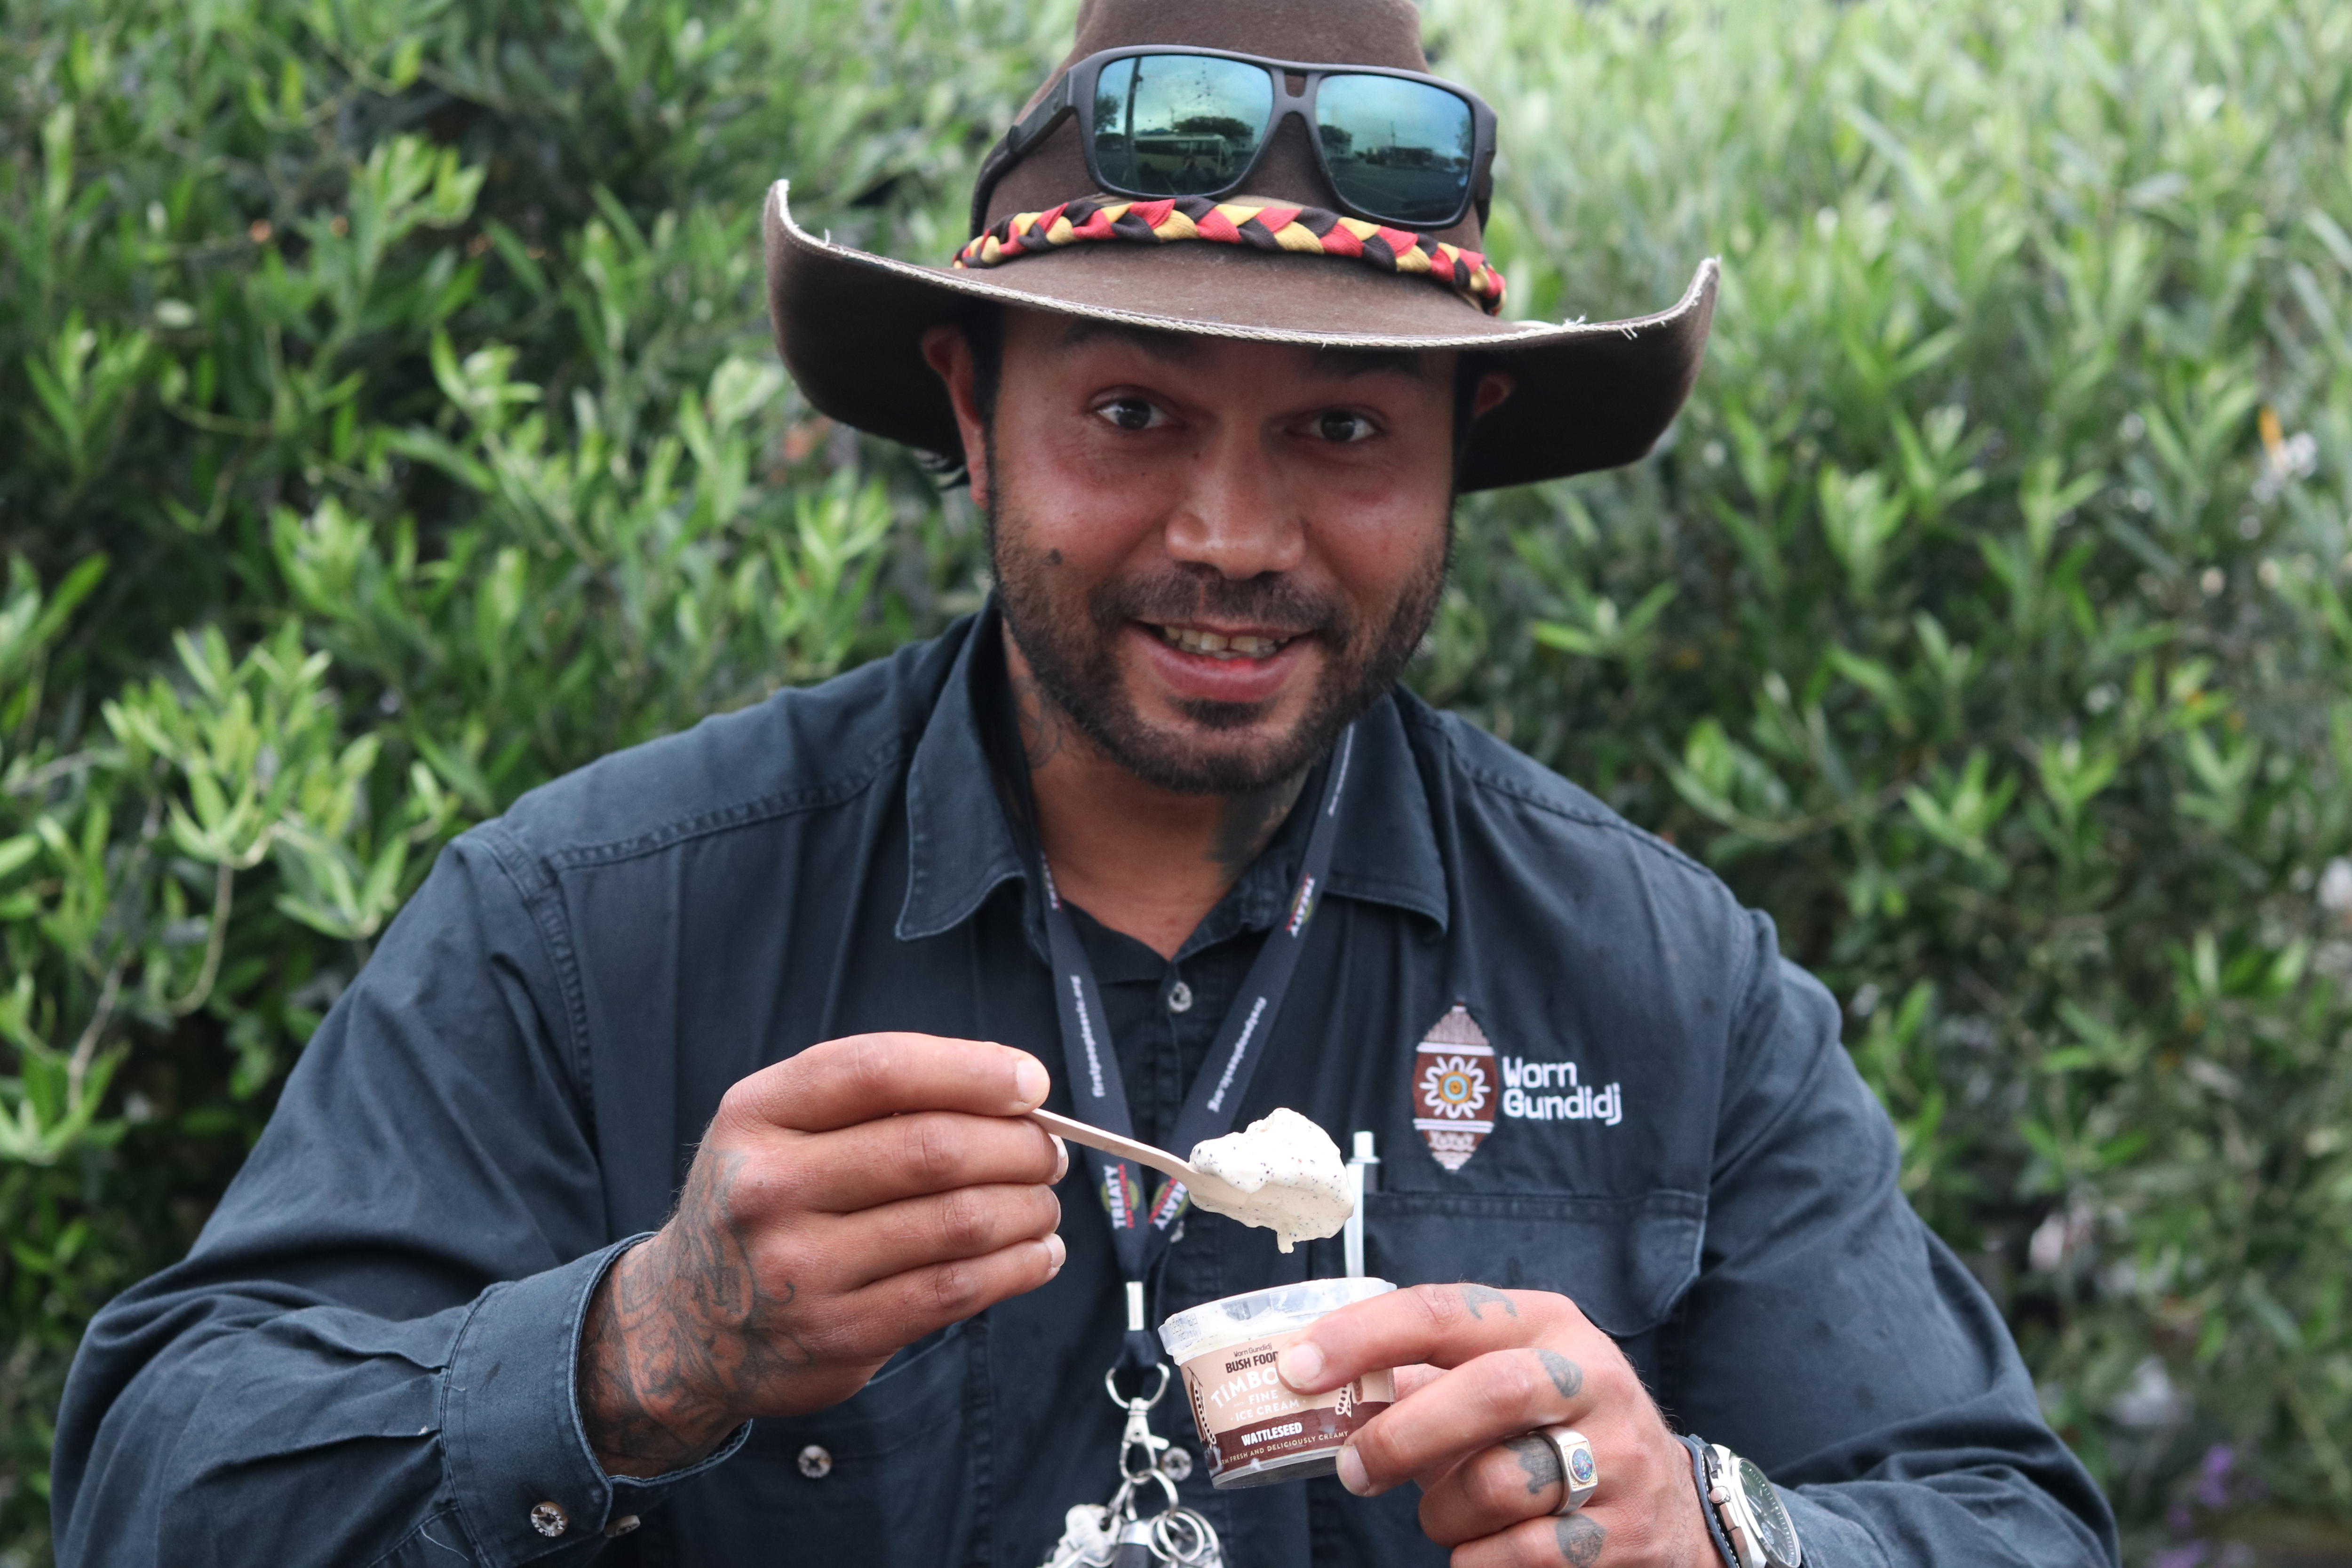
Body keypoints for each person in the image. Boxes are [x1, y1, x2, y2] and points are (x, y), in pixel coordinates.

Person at [51, 1, 2119, 1565]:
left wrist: (1717, 1529)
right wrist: (643, 1349)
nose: (1230, 533)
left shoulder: (1663, 983)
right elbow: (158, 1471)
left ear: (1458, 455)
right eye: (1131, 412)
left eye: (1338, 435)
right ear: (969, 403)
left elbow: (1998, 1518)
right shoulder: (596, 919)